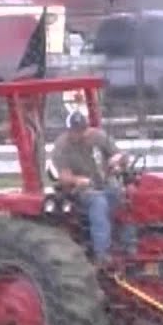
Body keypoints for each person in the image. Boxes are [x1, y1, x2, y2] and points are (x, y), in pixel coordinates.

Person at [51, 110, 136, 266]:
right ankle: (102, 253)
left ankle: (128, 245)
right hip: (79, 191)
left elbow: (120, 156)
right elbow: (63, 177)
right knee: (99, 202)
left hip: (103, 183)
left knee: (124, 195)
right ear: (69, 130)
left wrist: (118, 160)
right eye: (76, 131)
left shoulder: (98, 137)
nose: (80, 134)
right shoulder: (62, 147)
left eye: (83, 130)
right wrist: (78, 180)